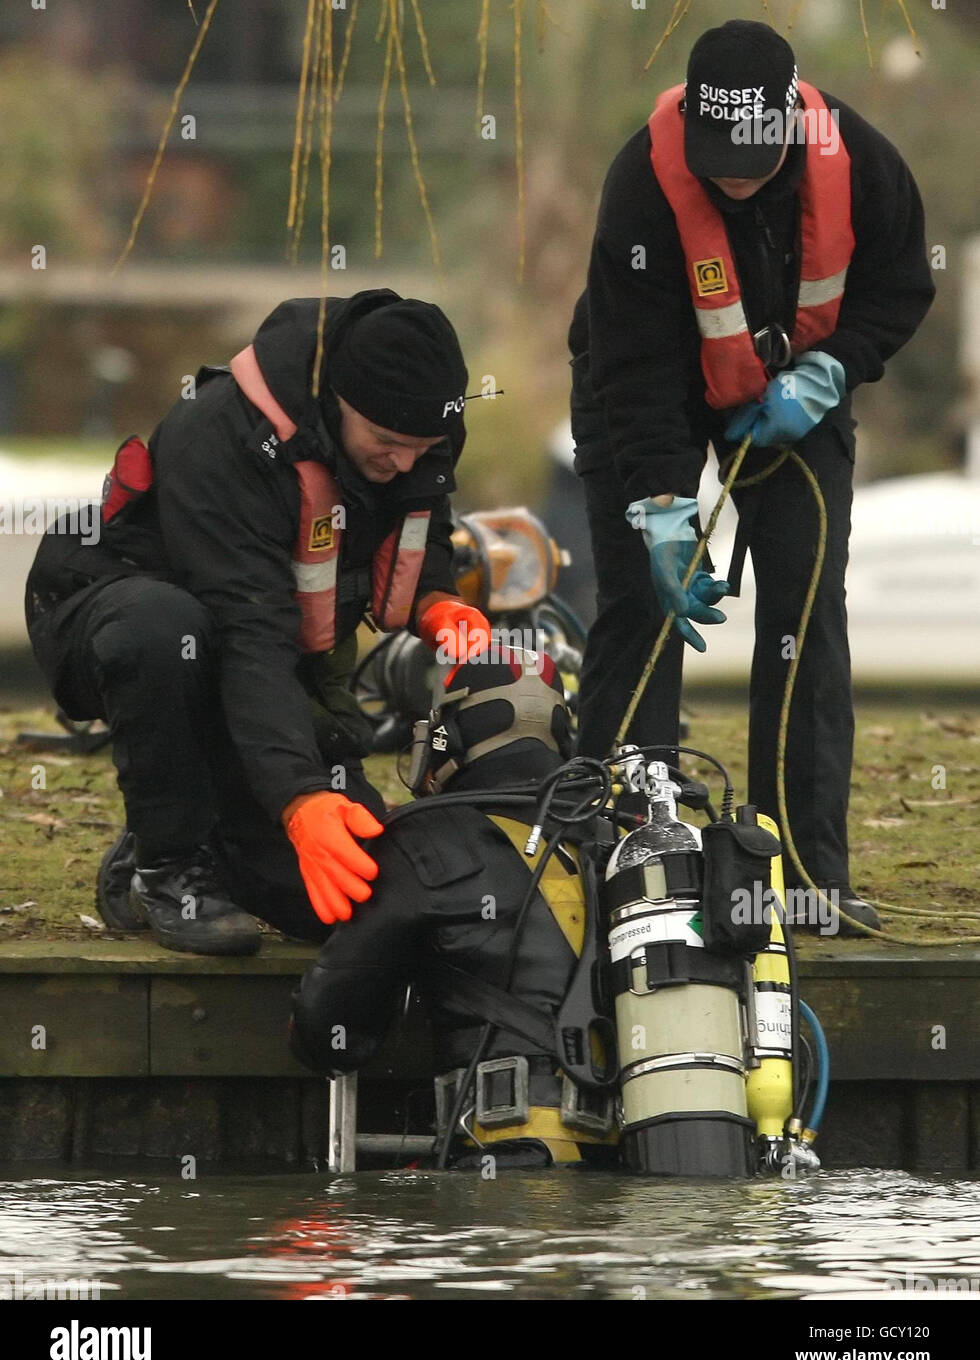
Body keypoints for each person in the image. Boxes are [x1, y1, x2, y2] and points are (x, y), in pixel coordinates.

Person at [568, 19, 935, 934]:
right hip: (647, 385)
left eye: (752, 157)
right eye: (716, 156)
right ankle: (623, 852)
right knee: (638, 609)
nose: (732, 174)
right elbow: (633, 364)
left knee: (805, 616)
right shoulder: (641, 185)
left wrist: (833, 368)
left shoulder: (860, 157)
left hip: (796, 391)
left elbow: (901, 285)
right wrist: (660, 506)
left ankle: (803, 872)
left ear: (791, 124)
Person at [24, 289, 491, 955]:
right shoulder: (222, 434)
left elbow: (421, 516)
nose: (407, 462)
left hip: (254, 644)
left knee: (356, 901)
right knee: (164, 630)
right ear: (338, 403)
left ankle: (208, 813)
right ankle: (163, 865)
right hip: (111, 607)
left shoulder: (411, 432)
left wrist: (437, 600)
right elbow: (253, 640)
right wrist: (299, 799)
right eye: (389, 443)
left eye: (426, 446)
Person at [290, 648, 619, 1169]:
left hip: (504, 1170)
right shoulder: (622, 841)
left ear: (450, 737)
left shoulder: (423, 841)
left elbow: (331, 1034)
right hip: (640, 1164)